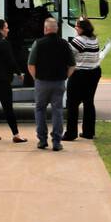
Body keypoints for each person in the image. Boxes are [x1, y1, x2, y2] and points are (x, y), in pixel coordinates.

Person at [27, 17, 74, 150]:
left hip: (42, 82)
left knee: (40, 110)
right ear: (57, 29)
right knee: (57, 111)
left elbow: (31, 65)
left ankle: (42, 140)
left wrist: (37, 78)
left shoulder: (38, 43)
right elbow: (72, 65)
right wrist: (65, 77)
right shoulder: (64, 44)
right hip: (58, 82)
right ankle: (57, 142)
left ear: (45, 29)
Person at [64, 18, 102, 141]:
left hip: (80, 74)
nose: (75, 28)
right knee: (89, 102)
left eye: (77, 26)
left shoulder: (79, 40)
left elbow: (68, 55)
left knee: (72, 104)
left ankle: (71, 133)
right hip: (94, 72)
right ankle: (88, 132)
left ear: (83, 28)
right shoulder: (94, 39)